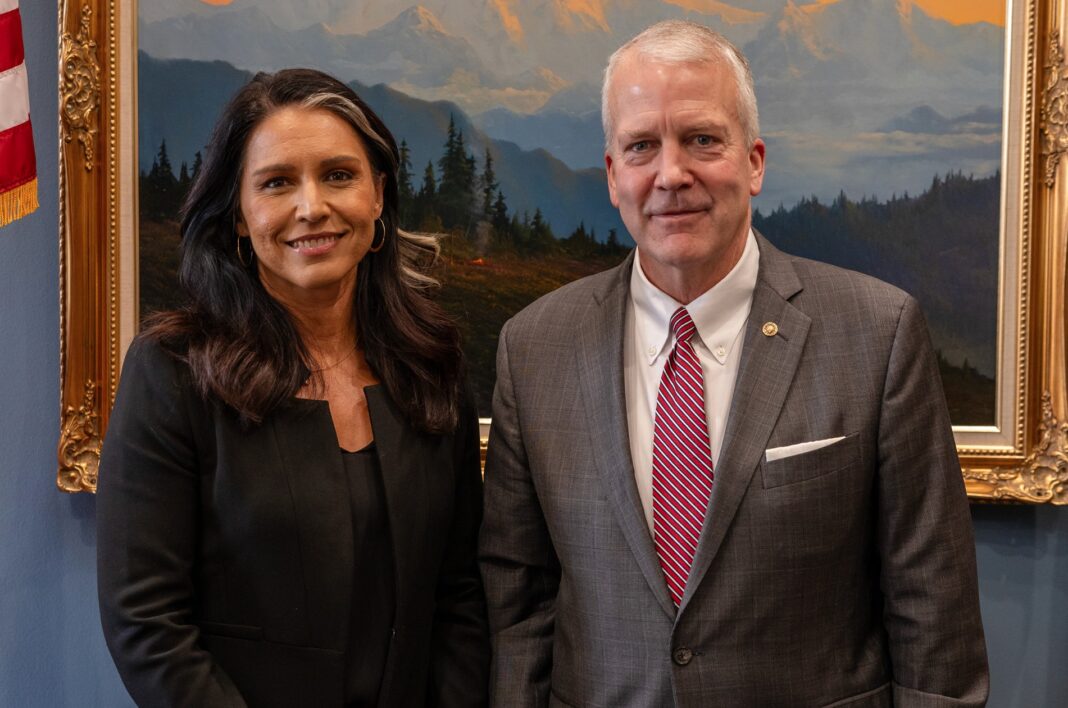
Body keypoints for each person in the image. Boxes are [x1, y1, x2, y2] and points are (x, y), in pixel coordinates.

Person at [479, 20, 988, 708]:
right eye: (640, 147)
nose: (671, 174)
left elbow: (934, 614)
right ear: (611, 175)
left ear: (753, 161)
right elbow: (520, 602)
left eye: (701, 140)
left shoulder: (878, 333)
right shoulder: (534, 348)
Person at [97, 68, 489, 707]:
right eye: (277, 183)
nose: (313, 207)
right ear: (241, 217)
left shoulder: (432, 363)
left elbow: (459, 596)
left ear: (378, 196)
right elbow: (147, 623)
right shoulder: (172, 369)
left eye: (338, 175)